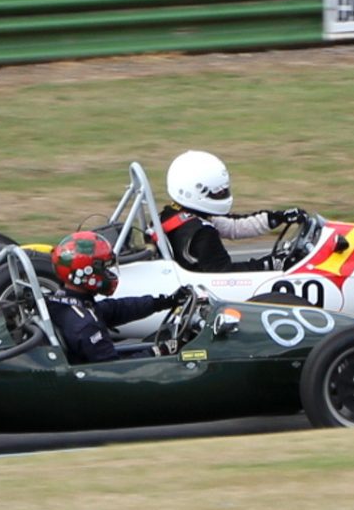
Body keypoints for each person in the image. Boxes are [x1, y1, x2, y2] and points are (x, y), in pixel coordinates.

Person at [47, 230, 191, 363]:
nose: (109, 274)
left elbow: (117, 309)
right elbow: (116, 370)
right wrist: (160, 351)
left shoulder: (63, 303)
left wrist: (165, 302)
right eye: (104, 268)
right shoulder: (85, 325)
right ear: (86, 272)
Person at [159, 150, 305, 272]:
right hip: (203, 295)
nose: (222, 195)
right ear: (192, 191)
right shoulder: (203, 234)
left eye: (224, 190)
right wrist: (270, 264)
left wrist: (277, 218)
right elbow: (227, 276)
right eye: (217, 192)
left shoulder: (171, 216)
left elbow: (233, 226)